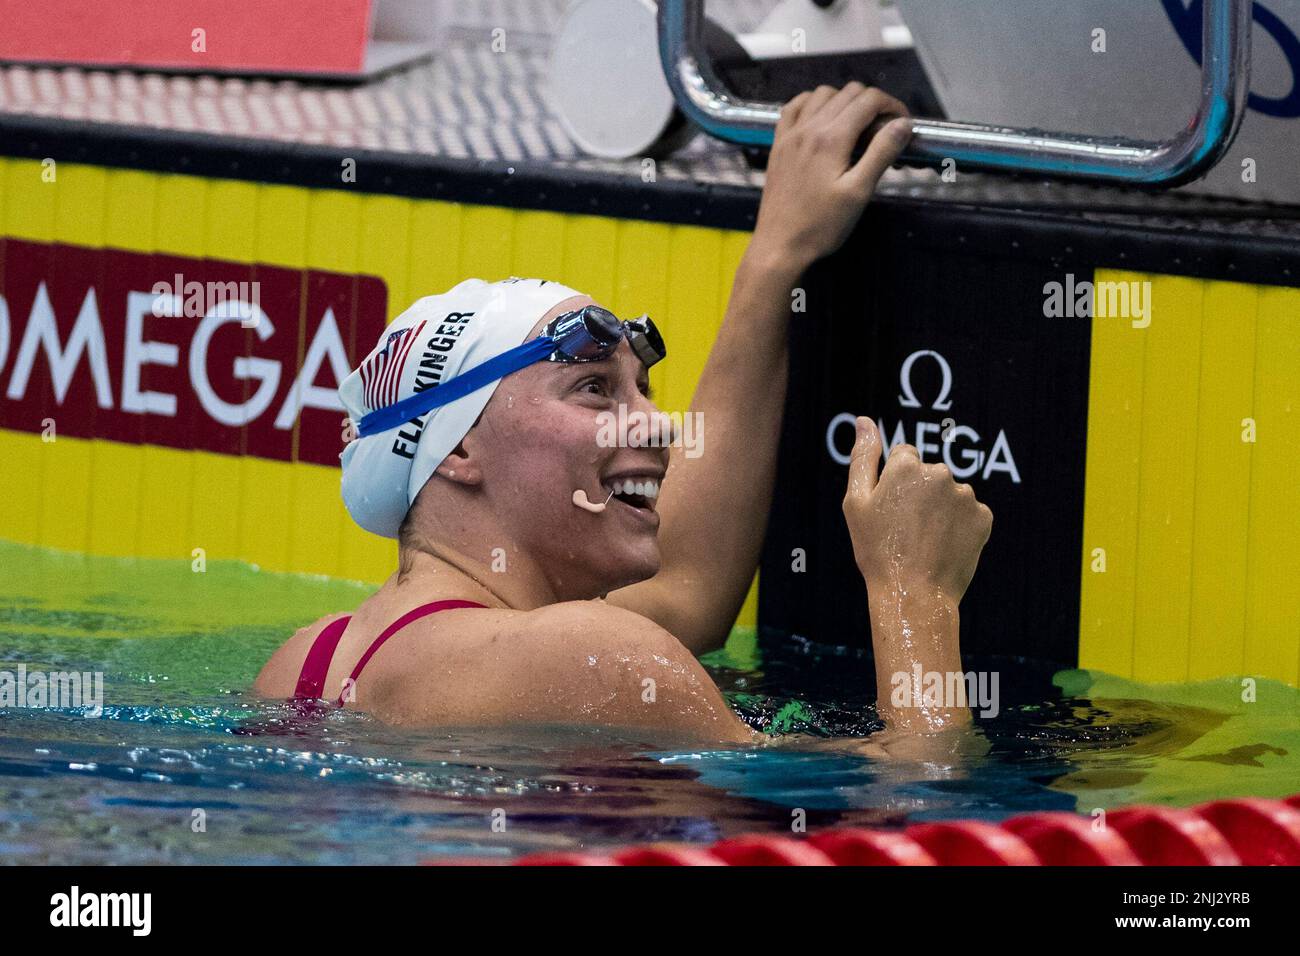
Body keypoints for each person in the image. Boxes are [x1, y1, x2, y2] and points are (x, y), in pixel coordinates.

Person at [253, 84, 993, 752]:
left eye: (641, 388)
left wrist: (776, 259)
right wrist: (913, 595)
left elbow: (691, 586)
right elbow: (915, 792)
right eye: (593, 389)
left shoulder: (307, 662)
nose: (658, 426)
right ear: (460, 448)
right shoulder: (587, 653)